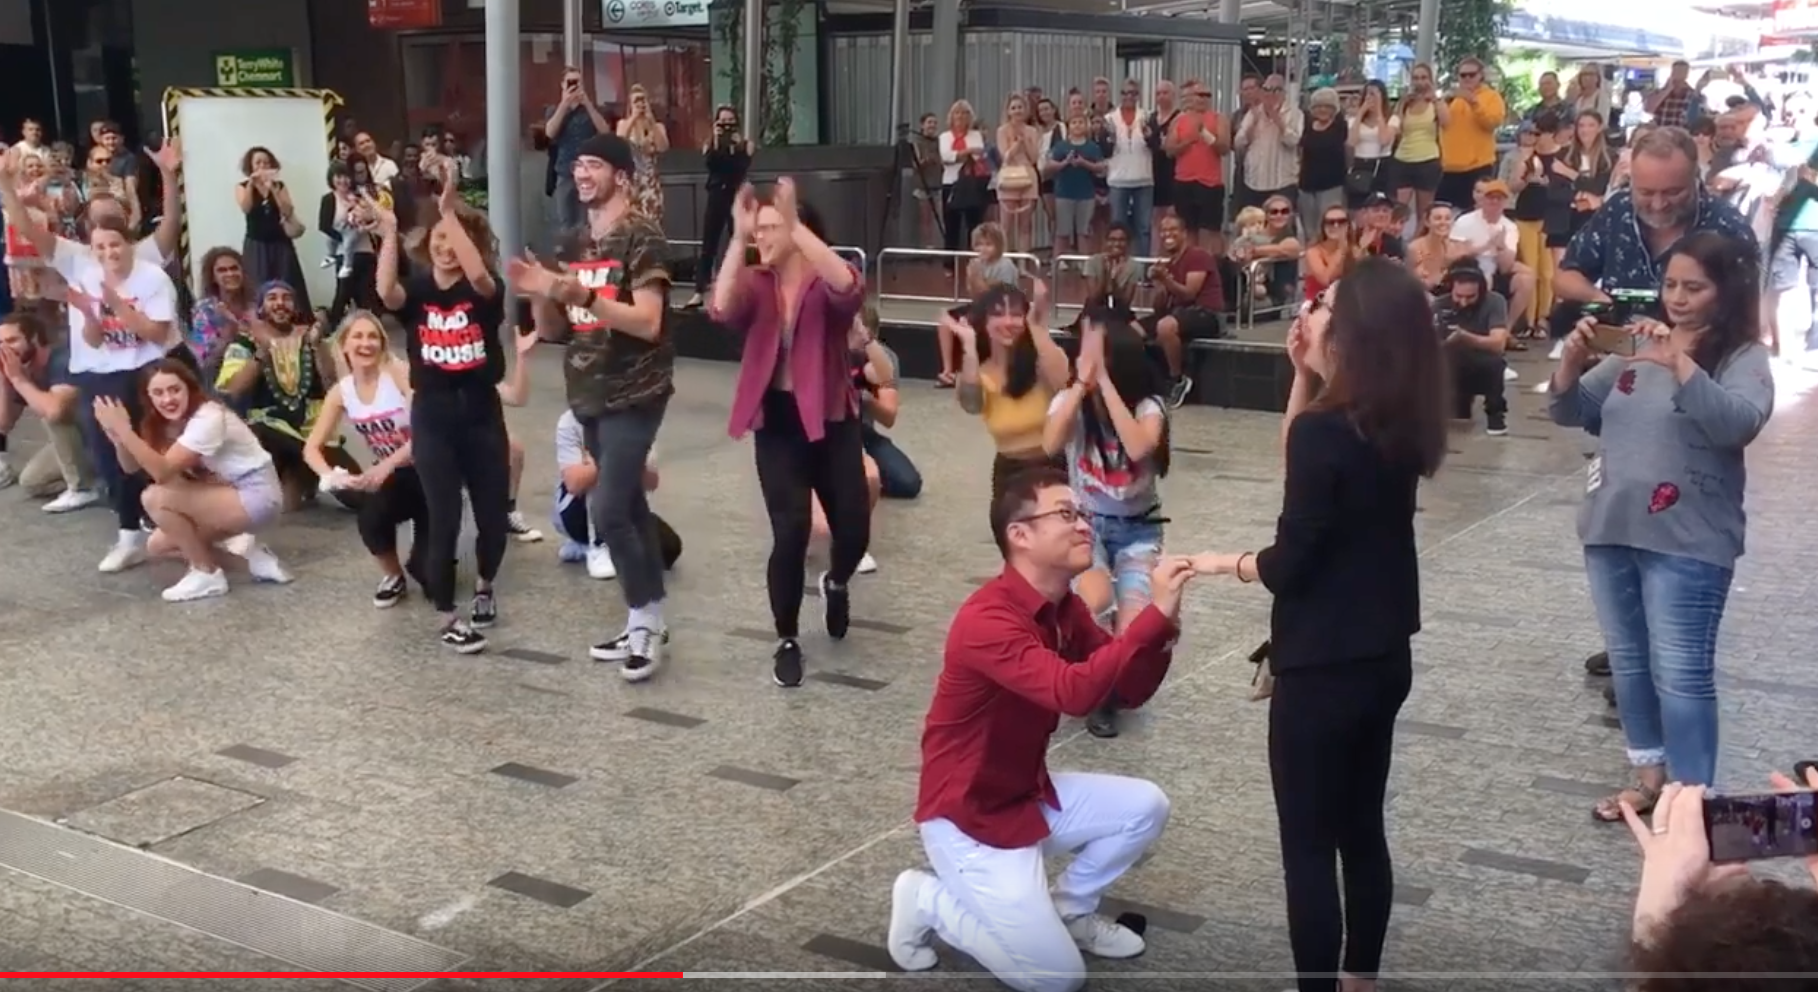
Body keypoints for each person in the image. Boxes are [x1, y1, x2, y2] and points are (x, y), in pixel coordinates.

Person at [1192, 258, 1449, 992]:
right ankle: (1359, 978)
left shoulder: (1328, 432)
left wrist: (1223, 561)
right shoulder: (1399, 419)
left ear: (1357, 329)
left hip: (1321, 664)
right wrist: (1305, 375)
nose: (1314, 310)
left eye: (1328, 304)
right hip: (1382, 653)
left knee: (1306, 848)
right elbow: (1303, 471)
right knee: (1361, 828)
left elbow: (1290, 559)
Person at [886, 467, 1188, 991]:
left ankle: (1072, 911)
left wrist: (1162, 624)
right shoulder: (987, 620)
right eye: (1066, 514)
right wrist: (1147, 619)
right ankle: (926, 899)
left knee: (1145, 807)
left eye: (1083, 514)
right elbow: (1073, 693)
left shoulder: (1064, 608)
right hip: (967, 820)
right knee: (1056, 980)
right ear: (1019, 535)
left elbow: (1128, 690)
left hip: (1026, 795)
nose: (1084, 526)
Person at [1549, 232, 1772, 816]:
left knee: (1682, 671)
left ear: (1724, 292)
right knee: (1629, 662)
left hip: (1690, 540)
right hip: (1610, 528)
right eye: (1670, 284)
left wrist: (1681, 364)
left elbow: (1738, 424)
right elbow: (1575, 412)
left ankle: (1695, 802)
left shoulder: (1742, 357)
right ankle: (1650, 778)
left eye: (1693, 287)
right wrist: (1571, 366)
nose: (1676, 298)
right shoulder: (1637, 347)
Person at [1547, 126, 1756, 677]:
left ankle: (1661, 650)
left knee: (1677, 529)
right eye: (1647, 194)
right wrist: (1601, 302)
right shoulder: (1616, 214)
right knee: (1621, 506)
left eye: (1672, 193)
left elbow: (1746, 321)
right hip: (1622, 372)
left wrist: (1690, 355)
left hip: (1690, 388)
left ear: (1696, 180)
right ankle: (1629, 645)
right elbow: (1564, 272)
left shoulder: (1727, 228)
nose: (1658, 205)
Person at [508, 131, 673, 681]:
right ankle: (648, 615)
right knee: (629, 509)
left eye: (593, 164)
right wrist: (540, 292)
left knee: (607, 509)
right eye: (576, 164)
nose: (581, 174)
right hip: (589, 394)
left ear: (621, 175)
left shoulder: (641, 236)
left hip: (637, 390)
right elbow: (557, 329)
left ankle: (643, 619)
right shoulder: (572, 241)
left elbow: (649, 322)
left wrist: (581, 295)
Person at [709, 180, 868, 689]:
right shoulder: (757, 283)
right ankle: (787, 638)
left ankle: (837, 580)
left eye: (770, 228)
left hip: (831, 419)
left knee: (852, 528)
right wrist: (737, 236)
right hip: (777, 423)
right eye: (759, 231)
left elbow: (849, 287)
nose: (763, 239)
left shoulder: (825, 287)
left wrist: (795, 225)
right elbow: (719, 308)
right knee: (791, 530)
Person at [1, 158, 178, 572]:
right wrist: (7, 186)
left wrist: (169, 174)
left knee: (153, 448)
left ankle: (171, 519)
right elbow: (26, 230)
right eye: (99, 241)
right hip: (99, 374)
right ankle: (128, 531)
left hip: (147, 371)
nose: (108, 250)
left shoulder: (147, 264)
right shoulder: (77, 260)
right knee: (107, 453)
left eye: (114, 240)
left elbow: (171, 223)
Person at [374, 175, 511, 653]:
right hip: (433, 415)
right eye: (438, 241)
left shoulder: (485, 292)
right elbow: (385, 289)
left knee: (493, 514)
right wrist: (390, 229)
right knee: (444, 514)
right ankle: (447, 615)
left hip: (481, 414)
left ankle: (485, 586)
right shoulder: (416, 292)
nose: (447, 248)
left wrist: (450, 214)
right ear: (427, 247)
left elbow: (480, 279)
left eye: (455, 241)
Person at [1042, 312, 1170, 740]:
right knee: (1096, 603)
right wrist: (1081, 385)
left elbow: (1137, 446)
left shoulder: (1148, 408)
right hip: (1088, 526)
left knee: (1135, 631)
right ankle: (1096, 693)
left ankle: (1110, 688)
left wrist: (1107, 386)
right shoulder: (1069, 401)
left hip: (1139, 531)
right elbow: (1049, 443)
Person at [91, 359, 291, 602]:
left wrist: (125, 430)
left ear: (189, 389)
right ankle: (252, 562)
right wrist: (118, 438)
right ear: (148, 397)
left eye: (175, 390)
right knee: (160, 545)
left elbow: (162, 472)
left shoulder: (209, 416)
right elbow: (131, 467)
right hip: (225, 493)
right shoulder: (164, 424)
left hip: (258, 496)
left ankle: (206, 572)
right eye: (158, 393)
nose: (168, 399)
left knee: (154, 497)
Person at [303, 312, 429, 610]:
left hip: (430, 470)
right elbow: (312, 448)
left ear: (383, 344)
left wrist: (385, 465)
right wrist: (331, 476)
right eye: (357, 337)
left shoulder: (398, 373)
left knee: (431, 578)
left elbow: (426, 431)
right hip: (397, 476)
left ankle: (433, 549)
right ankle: (393, 576)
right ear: (344, 345)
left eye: (373, 336)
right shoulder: (341, 392)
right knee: (370, 515)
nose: (366, 343)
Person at [949, 282, 1072, 509]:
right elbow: (971, 404)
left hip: (1053, 468)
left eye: (1016, 315)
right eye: (998, 314)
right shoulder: (979, 371)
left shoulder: (1040, 361)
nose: (1008, 322)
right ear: (984, 322)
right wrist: (968, 347)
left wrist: (1036, 325)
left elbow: (1064, 380)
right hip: (1009, 472)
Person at [552, 408, 682, 572]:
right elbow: (574, 483)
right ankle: (598, 546)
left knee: (669, 548)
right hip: (574, 511)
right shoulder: (571, 421)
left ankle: (583, 545)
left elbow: (651, 483)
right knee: (605, 478)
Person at [0, 310, 97, 510]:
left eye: (12, 341)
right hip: (78, 444)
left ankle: (82, 489)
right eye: (0, 343)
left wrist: (18, 379)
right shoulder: (24, 369)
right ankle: (101, 477)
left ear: (34, 338)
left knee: (50, 414)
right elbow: (4, 424)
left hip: (101, 436)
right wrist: (5, 379)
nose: (5, 349)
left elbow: (55, 411)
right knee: (32, 482)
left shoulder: (63, 359)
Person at [1143, 213, 1225, 408]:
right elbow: (1160, 307)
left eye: (1172, 230)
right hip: (1180, 313)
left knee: (1166, 326)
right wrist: (1158, 284)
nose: (1167, 234)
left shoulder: (1198, 256)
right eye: (1163, 230)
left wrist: (1167, 280)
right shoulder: (1169, 263)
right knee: (1132, 329)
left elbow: (1189, 293)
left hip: (1208, 314)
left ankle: (1178, 379)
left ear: (1184, 233)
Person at [687, 105, 754, 309]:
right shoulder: (711, 144)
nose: (725, 127)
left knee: (742, 240)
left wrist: (734, 147)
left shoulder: (744, 144)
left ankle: (747, 287)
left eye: (729, 123)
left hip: (736, 194)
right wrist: (717, 142)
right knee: (709, 242)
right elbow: (712, 165)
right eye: (721, 123)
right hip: (717, 193)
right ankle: (700, 290)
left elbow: (740, 167)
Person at [1437, 264, 1512, 435]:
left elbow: (1498, 344)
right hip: (1451, 362)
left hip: (1483, 361)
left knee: (1494, 363)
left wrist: (1464, 337)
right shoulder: (1440, 304)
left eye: (1470, 297)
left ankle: (1495, 414)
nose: (1463, 302)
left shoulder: (1494, 301)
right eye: (1459, 296)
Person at [236, 147, 311, 314]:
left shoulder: (279, 186)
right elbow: (245, 208)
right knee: (257, 285)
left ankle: (296, 322)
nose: (262, 166)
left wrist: (274, 191)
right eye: (258, 162)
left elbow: (287, 210)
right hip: (256, 244)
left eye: (266, 162)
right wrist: (251, 184)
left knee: (287, 282)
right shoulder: (242, 186)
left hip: (280, 242)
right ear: (251, 166)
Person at [1436, 58, 1507, 211]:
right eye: (1463, 75)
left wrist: (1474, 102)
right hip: (1451, 167)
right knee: (1440, 212)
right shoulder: (1453, 98)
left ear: (1481, 76)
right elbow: (1443, 124)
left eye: (1471, 75)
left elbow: (1492, 123)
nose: (1467, 78)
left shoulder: (1492, 97)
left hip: (1477, 166)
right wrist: (1441, 102)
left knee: (1474, 215)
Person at [616, 85, 669, 220]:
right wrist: (634, 117)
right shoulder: (623, 124)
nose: (640, 105)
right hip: (631, 183)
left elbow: (663, 147)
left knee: (652, 221)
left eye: (643, 101)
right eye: (636, 101)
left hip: (650, 183)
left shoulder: (657, 126)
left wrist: (650, 121)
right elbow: (619, 143)